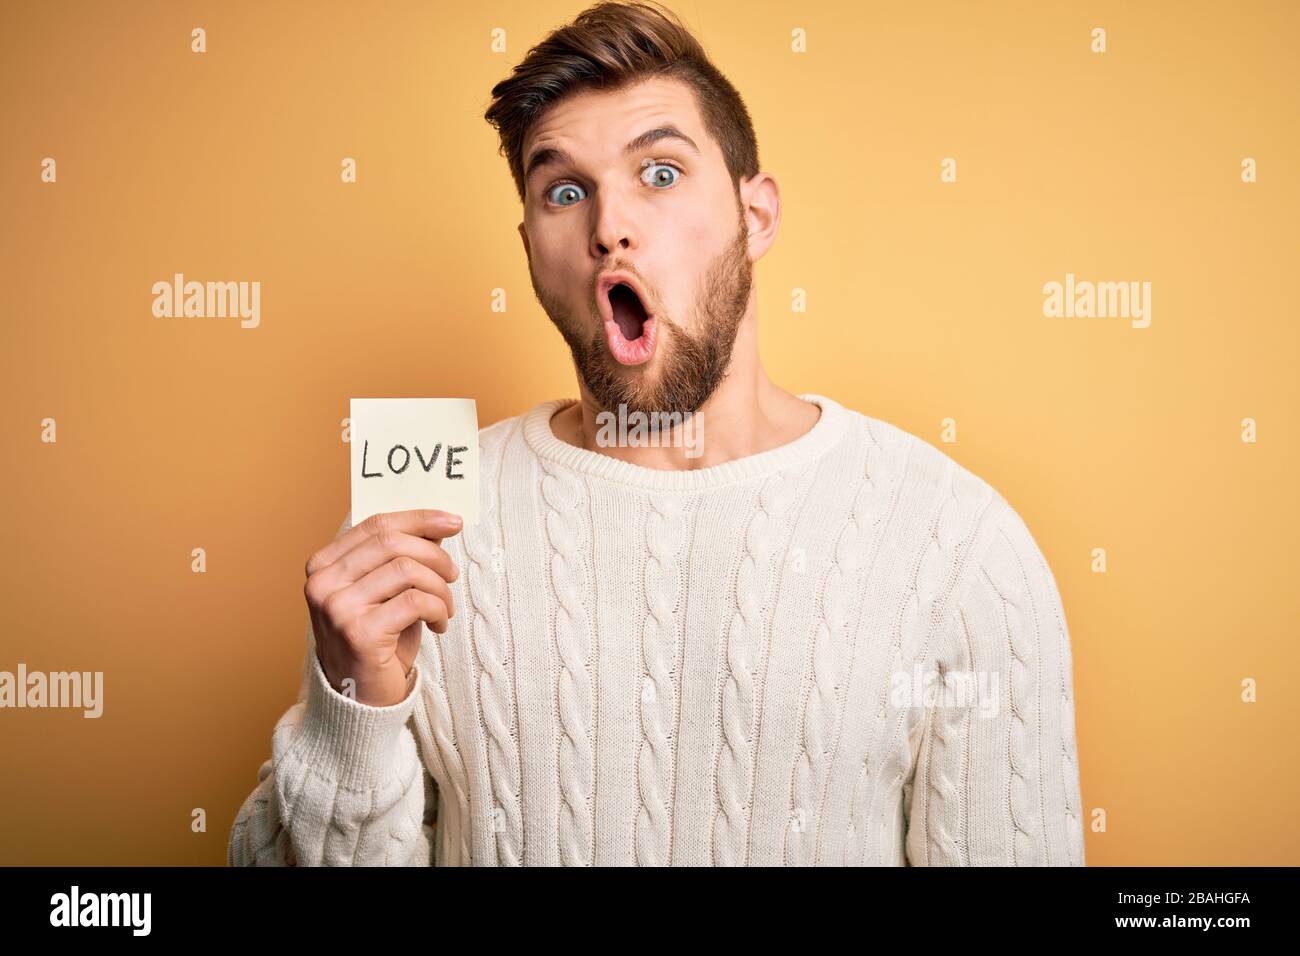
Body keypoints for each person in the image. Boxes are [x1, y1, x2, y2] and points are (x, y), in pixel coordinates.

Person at [228, 0, 1084, 867]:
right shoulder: (419, 530)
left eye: (661, 173)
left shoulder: (955, 545)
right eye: (566, 191)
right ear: (531, 250)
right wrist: (351, 711)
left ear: (757, 217)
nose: (609, 227)